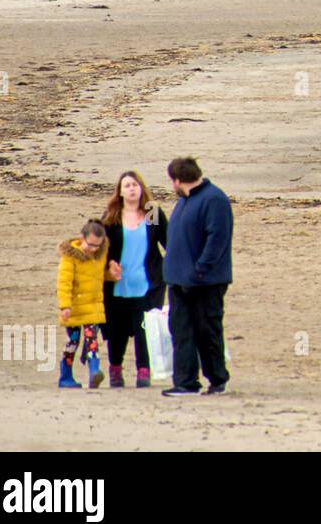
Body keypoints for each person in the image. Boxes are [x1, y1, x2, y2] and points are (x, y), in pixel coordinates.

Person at [162, 157, 233, 397]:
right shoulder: (184, 201)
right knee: (181, 332)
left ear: (179, 180)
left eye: (173, 182)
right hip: (179, 281)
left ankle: (217, 380)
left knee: (208, 332)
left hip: (206, 282)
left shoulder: (214, 199)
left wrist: (200, 270)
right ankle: (185, 382)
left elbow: (217, 240)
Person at [101, 171, 168, 390]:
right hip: (118, 285)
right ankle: (115, 369)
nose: (131, 188)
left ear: (141, 187)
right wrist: (109, 264)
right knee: (116, 331)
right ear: (119, 191)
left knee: (144, 330)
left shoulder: (152, 213)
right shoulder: (111, 216)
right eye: (127, 185)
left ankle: (143, 372)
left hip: (148, 285)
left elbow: (169, 243)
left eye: (135, 184)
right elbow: (101, 249)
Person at [57, 220, 117, 389]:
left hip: (93, 306)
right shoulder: (70, 257)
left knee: (92, 340)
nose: (93, 249)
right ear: (81, 238)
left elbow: (100, 276)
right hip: (74, 307)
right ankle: (66, 376)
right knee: (73, 342)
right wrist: (65, 306)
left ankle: (94, 372)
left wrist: (112, 274)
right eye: (90, 245)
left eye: (97, 246)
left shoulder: (100, 254)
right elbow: (64, 283)